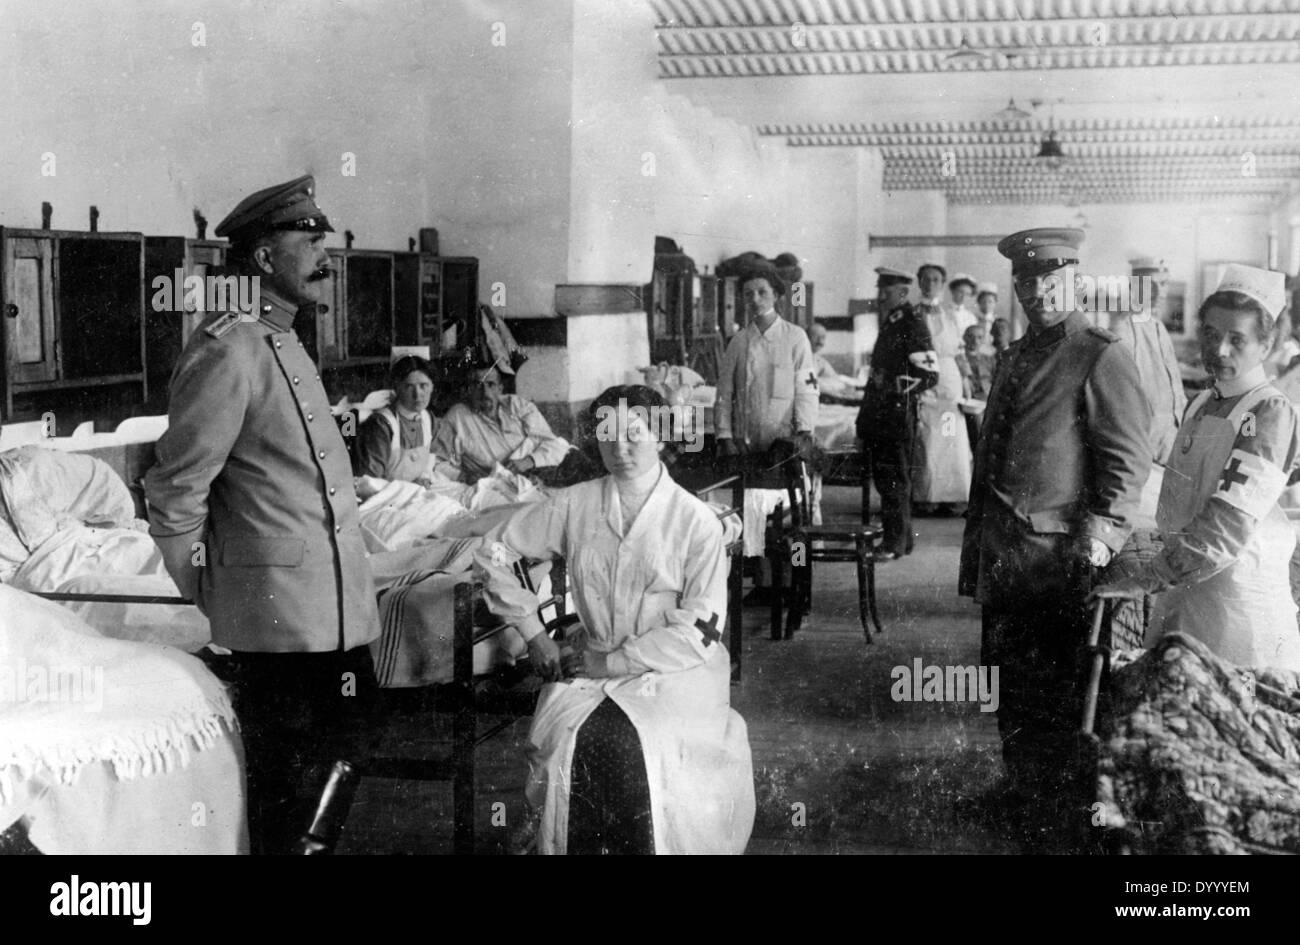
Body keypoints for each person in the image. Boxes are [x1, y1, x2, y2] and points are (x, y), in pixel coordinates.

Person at [144, 175, 384, 854]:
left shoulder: (285, 339)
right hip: (273, 615)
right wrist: (206, 586)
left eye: (322, 237)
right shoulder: (229, 347)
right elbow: (174, 489)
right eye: (305, 238)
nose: (322, 251)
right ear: (260, 257)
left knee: (354, 729)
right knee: (286, 779)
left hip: (327, 607)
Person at [473, 385, 756, 854]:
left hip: (676, 669)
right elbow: (493, 551)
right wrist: (533, 634)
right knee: (570, 738)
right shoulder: (574, 504)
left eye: (634, 434)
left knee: (641, 748)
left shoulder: (693, 521)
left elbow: (700, 631)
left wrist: (615, 663)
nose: (619, 448)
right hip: (592, 656)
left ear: (661, 436)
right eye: (607, 435)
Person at [959, 227, 1150, 846]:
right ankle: (1020, 792)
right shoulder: (1015, 356)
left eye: (1050, 281)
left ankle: (1059, 815)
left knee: (1059, 693)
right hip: (1004, 557)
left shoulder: (1100, 353)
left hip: (1057, 559)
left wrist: (1098, 537)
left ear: (1073, 282)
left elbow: (1125, 463)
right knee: (1009, 684)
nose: (1037, 292)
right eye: (1026, 282)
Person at [1092, 264, 1300, 672]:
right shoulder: (1202, 403)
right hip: (1187, 589)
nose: (1219, 349)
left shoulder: (1269, 411)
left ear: (1266, 344)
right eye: (1210, 333)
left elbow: (1227, 528)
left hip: (1240, 599)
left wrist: (1143, 579)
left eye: (1237, 339)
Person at [855, 267, 938, 559]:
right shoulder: (893, 321)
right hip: (883, 415)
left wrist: (890, 385)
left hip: (896, 415)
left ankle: (893, 544)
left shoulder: (910, 323)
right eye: (879, 290)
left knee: (894, 481)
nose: (880, 296)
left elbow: (929, 374)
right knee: (888, 479)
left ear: (902, 293)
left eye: (886, 291)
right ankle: (902, 540)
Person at [431, 358, 591, 486]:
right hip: (504, 483)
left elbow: (550, 441)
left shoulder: (517, 405)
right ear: (468, 390)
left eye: (490, 384)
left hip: (544, 466)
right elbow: (438, 463)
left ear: (500, 388)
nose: (485, 392)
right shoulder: (456, 416)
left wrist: (529, 461)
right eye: (477, 385)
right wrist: (463, 476)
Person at [715, 261, 818, 457]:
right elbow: (724, 392)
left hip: (785, 442)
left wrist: (805, 431)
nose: (755, 299)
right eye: (748, 294)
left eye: (762, 292)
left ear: (776, 295)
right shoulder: (738, 341)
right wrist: (725, 435)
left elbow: (807, 390)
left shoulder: (796, 337)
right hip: (744, 442)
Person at [1116, 257, 1188, 525]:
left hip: (1169, 457)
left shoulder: (1158, 328)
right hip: (1144, 465)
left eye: (1163, 284)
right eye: (1150, 285)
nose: (1159, 293)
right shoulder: (1124, 329)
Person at [913, 263, 974, 514]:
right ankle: (928, 497)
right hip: (924, 381)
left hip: (949, 381)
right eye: (926, 279)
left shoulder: (952, 315)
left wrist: (967, 378)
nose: (930, 284)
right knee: (928, 438)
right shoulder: (912, 313)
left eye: (936, 279)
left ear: (942, 283)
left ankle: (953, 497)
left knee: (952, 438)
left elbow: (960, 351)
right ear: (919, 282)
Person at [356, 355, 458, 484]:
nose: (417, 394)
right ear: (397, 388)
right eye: (409, 386)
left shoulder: (428, 420)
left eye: (423, 385)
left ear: (432, 387)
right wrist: (411, 486)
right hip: (390, 497)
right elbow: (370, 483)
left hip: (418, 492)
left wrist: (460, 475)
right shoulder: (382, 425)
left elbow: (435, 465)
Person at [955, 323, 994, 447]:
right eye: (971, 337)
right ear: (964, 338)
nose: (975, 341)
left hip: (987, 401)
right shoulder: (959, 358)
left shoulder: (989, 360)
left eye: (980, 337)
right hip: (968, 403)